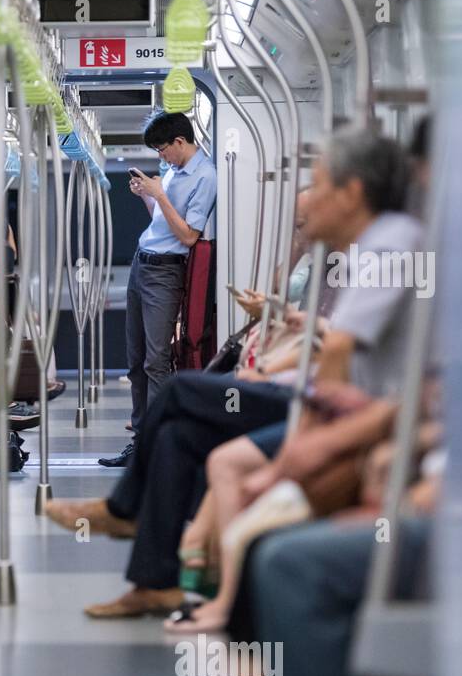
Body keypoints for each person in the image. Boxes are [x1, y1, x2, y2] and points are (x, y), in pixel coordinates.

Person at [47, 129, 421, 619]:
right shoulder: (369, 246)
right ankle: (154, 582)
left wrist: (307, 434)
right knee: (180, 434)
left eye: (321, 186)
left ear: (352, 193)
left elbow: (342, 352)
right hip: (335, 399)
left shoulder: (388, 245)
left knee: (181, 389)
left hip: (349, 412)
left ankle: (124, 511)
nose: (306, 209)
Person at [101, 111, 217, 467]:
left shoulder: (205, 177)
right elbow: (161, 222)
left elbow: (187, 235)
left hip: (166, 274)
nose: (160, 156)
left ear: (180, 142)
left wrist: (160, 195)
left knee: (156, 360)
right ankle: (140, 438)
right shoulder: (172, 170)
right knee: (136, 360)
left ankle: (159, 440)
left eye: (162, 149)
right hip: (143, 262)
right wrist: (147, 197)